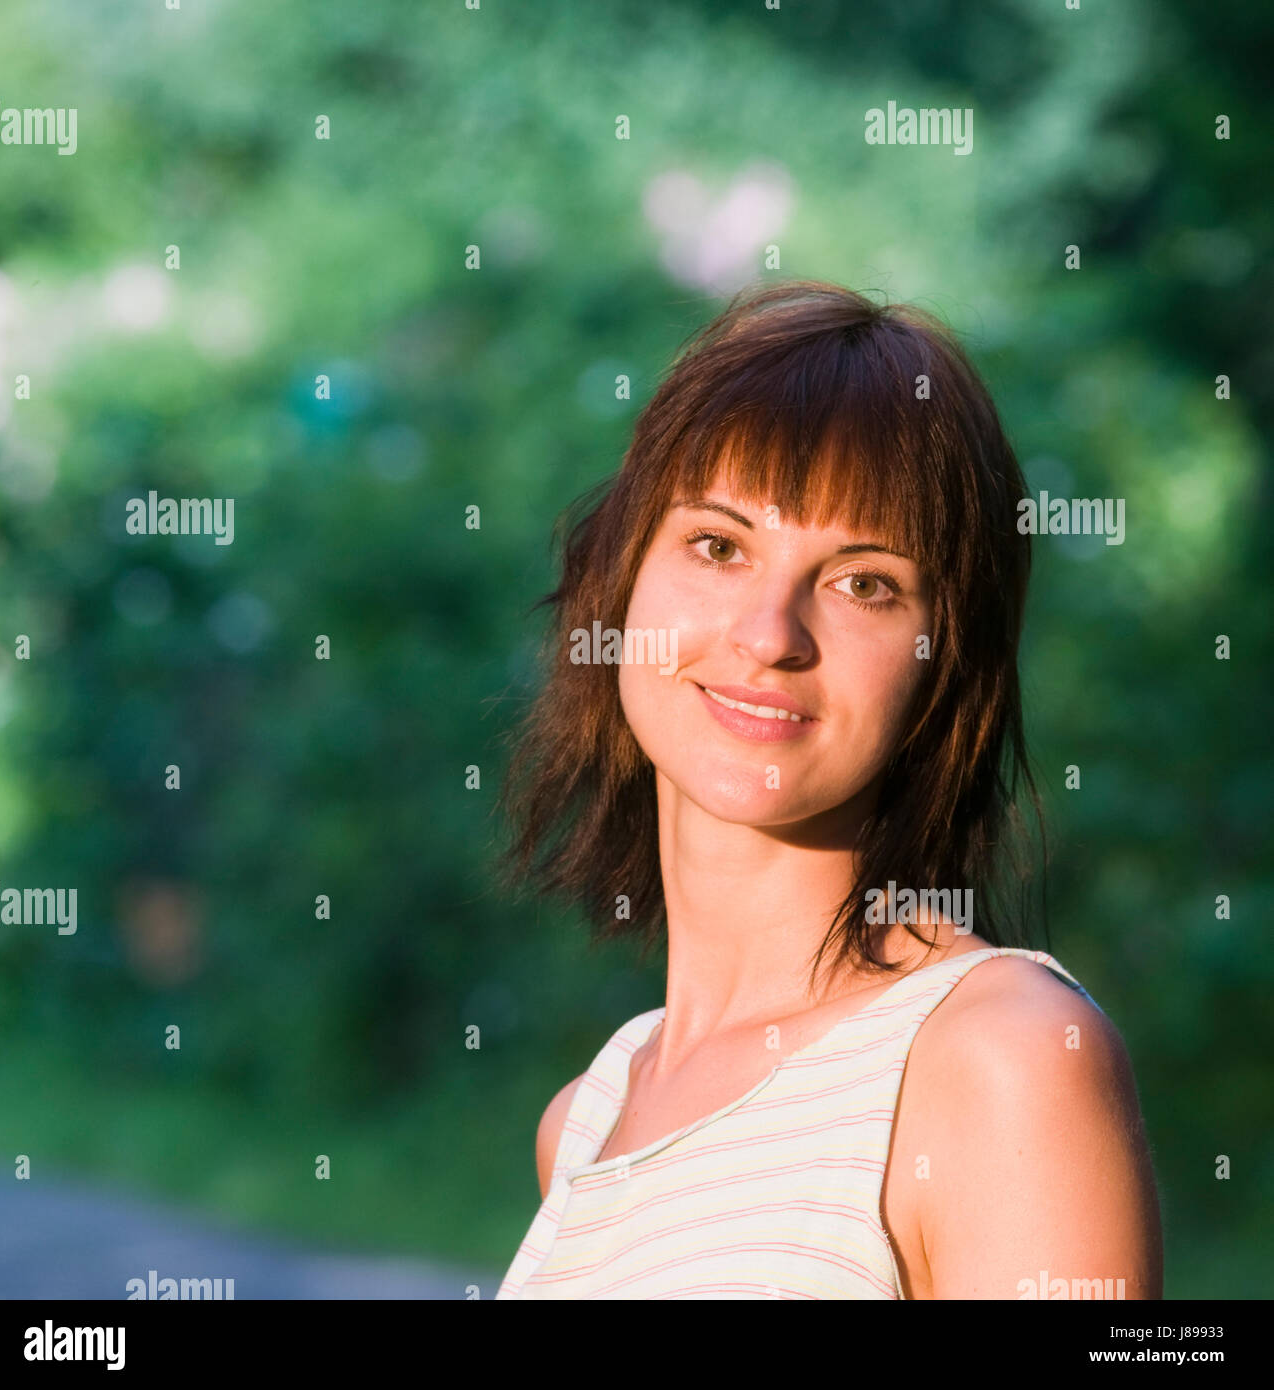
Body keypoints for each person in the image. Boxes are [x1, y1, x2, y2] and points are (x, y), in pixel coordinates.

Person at [495, 280, 1163, 1300]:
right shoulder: (588, 1113)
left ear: (943, 663)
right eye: (717, 546)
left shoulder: (1003, 1057)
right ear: (618, 579)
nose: (768, 633)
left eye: (864, 583)